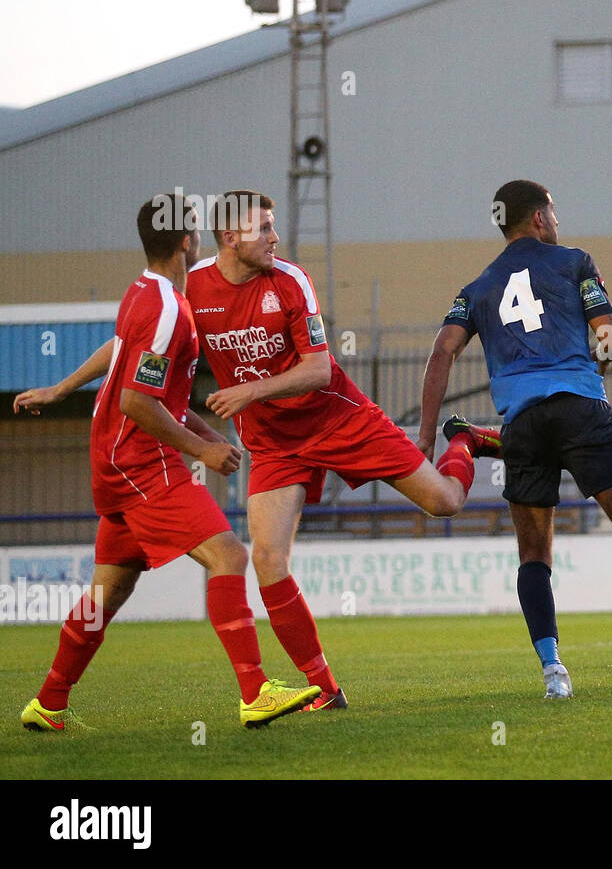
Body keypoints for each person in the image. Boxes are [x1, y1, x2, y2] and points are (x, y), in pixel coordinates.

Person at [15, 194, 320, 730]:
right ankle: (255, 690)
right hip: (139, 460)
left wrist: (62, 387)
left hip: (111, 458)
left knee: (109, 590)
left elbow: (119, 352)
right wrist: (201, 447)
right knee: (229, 556)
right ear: (187, 240)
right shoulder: (169, 308)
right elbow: (138, 400)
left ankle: (49, 701)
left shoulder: (143, 292)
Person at [183, 190, 486, 712]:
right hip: (275, 444)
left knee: (444, 502)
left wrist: (250, 391)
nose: (276, 237)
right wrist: (68, 385)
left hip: (339, 418)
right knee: (267, 559)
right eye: (264, 228)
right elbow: (137, 338)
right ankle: (324, 688)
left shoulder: (290, 281)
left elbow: (319, 369)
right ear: (230, 238)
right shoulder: (192, 289)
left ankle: (469, 439)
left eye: (275, 226)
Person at [418, 179, 612, 698]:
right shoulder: (573, 260)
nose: (557, 221)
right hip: (580, 405)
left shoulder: (478, 287)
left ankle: (554, 672)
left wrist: (422, 441)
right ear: (538, 218)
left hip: (523, 423)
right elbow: (609, 336)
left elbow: (442, 351)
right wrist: (592, 370)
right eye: (553, 213)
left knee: (534, 556)